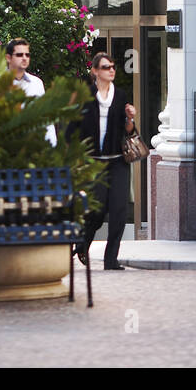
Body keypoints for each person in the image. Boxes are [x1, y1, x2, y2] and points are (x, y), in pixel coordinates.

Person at [69, 52, 137, 271]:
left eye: (113, 66)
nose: (111, 70)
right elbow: (72, 129)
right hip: (94, 162)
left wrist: (130, 118)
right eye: (106, 67)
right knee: (96, 211)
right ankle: (83, 244)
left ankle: (110, 260)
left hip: (118, 162)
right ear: (95, 71)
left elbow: (129, 131)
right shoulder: (85, 96)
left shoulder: (121, 95)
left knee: (118, 212)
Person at [2, 38, 56, 146]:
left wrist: (52, 144)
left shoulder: (37, 83)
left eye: (27, 55)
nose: (24, 58)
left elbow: (45, 117)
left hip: (34, 147)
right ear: (8, 58)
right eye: (19, 55)